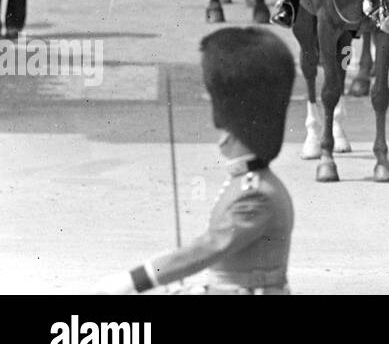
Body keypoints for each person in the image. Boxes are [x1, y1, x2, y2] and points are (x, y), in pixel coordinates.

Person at [95, 27, 296, 294]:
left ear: (236, 134)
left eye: (227, 130)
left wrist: (136, 280)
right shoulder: (250, 185)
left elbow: (210, 246)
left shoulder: (255, 195)